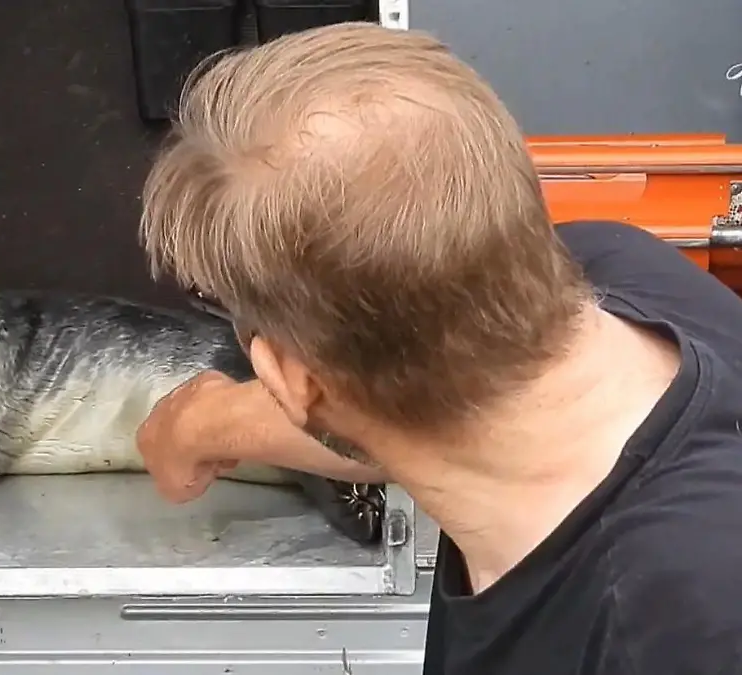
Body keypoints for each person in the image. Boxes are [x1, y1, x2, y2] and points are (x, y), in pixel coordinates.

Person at [133, 21, 742, 674]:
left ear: (291, 380)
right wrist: (209, 422)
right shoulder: (612, 265)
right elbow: (412, 405)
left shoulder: (664, 633)